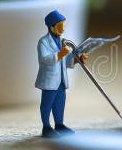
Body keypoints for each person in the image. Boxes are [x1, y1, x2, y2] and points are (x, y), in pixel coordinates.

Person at [35, 10, 87, 138]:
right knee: (47, 103)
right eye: (60, 26)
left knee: (60, 103)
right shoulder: (43, 42)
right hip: (50, 80)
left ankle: (59, 124)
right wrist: (60, 54)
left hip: (61, 81)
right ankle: (46, 127)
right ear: (51, 27)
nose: (63, 29)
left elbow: (66, 62)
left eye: (64, 25)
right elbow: (44, 59)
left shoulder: (63, 42)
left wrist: (76, 60)